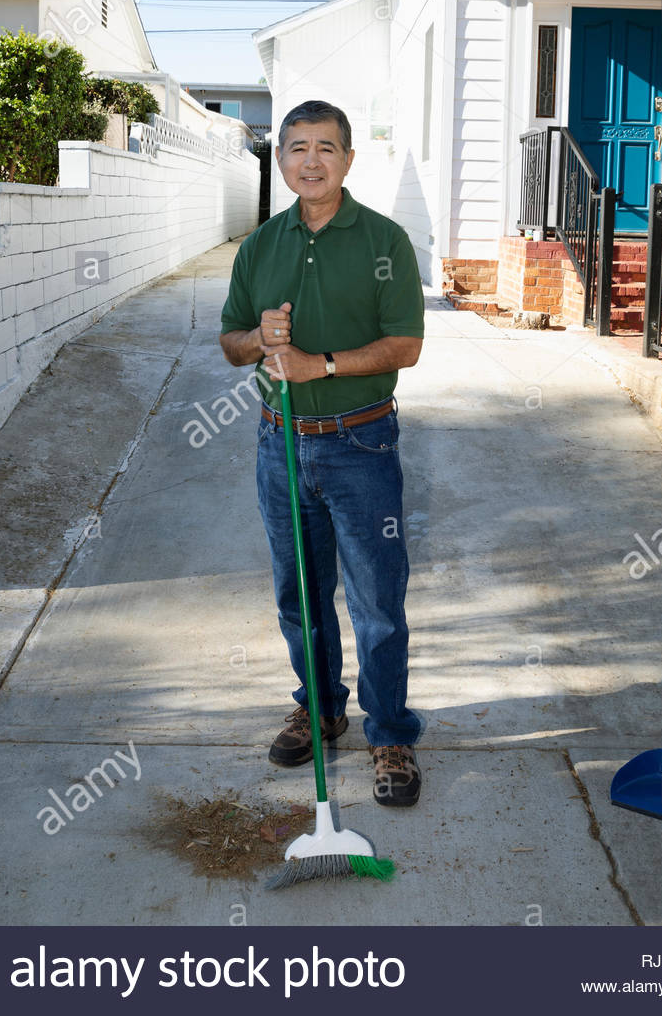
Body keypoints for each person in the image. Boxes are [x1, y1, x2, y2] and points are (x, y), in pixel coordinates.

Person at [219, 99, 425, 806]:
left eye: (326, 148)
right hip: (279, 445)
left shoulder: (386, 242)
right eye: (297, 148)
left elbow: (406, 346)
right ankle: (322, 707)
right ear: (279, 160)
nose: (311, 160)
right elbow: (229, 344)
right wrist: (260, 340)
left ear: (347, 159)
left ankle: (391, 733)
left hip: (362, 442)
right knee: (298, 594)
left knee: (376, 601)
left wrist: (322, 365)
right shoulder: (259, 247)